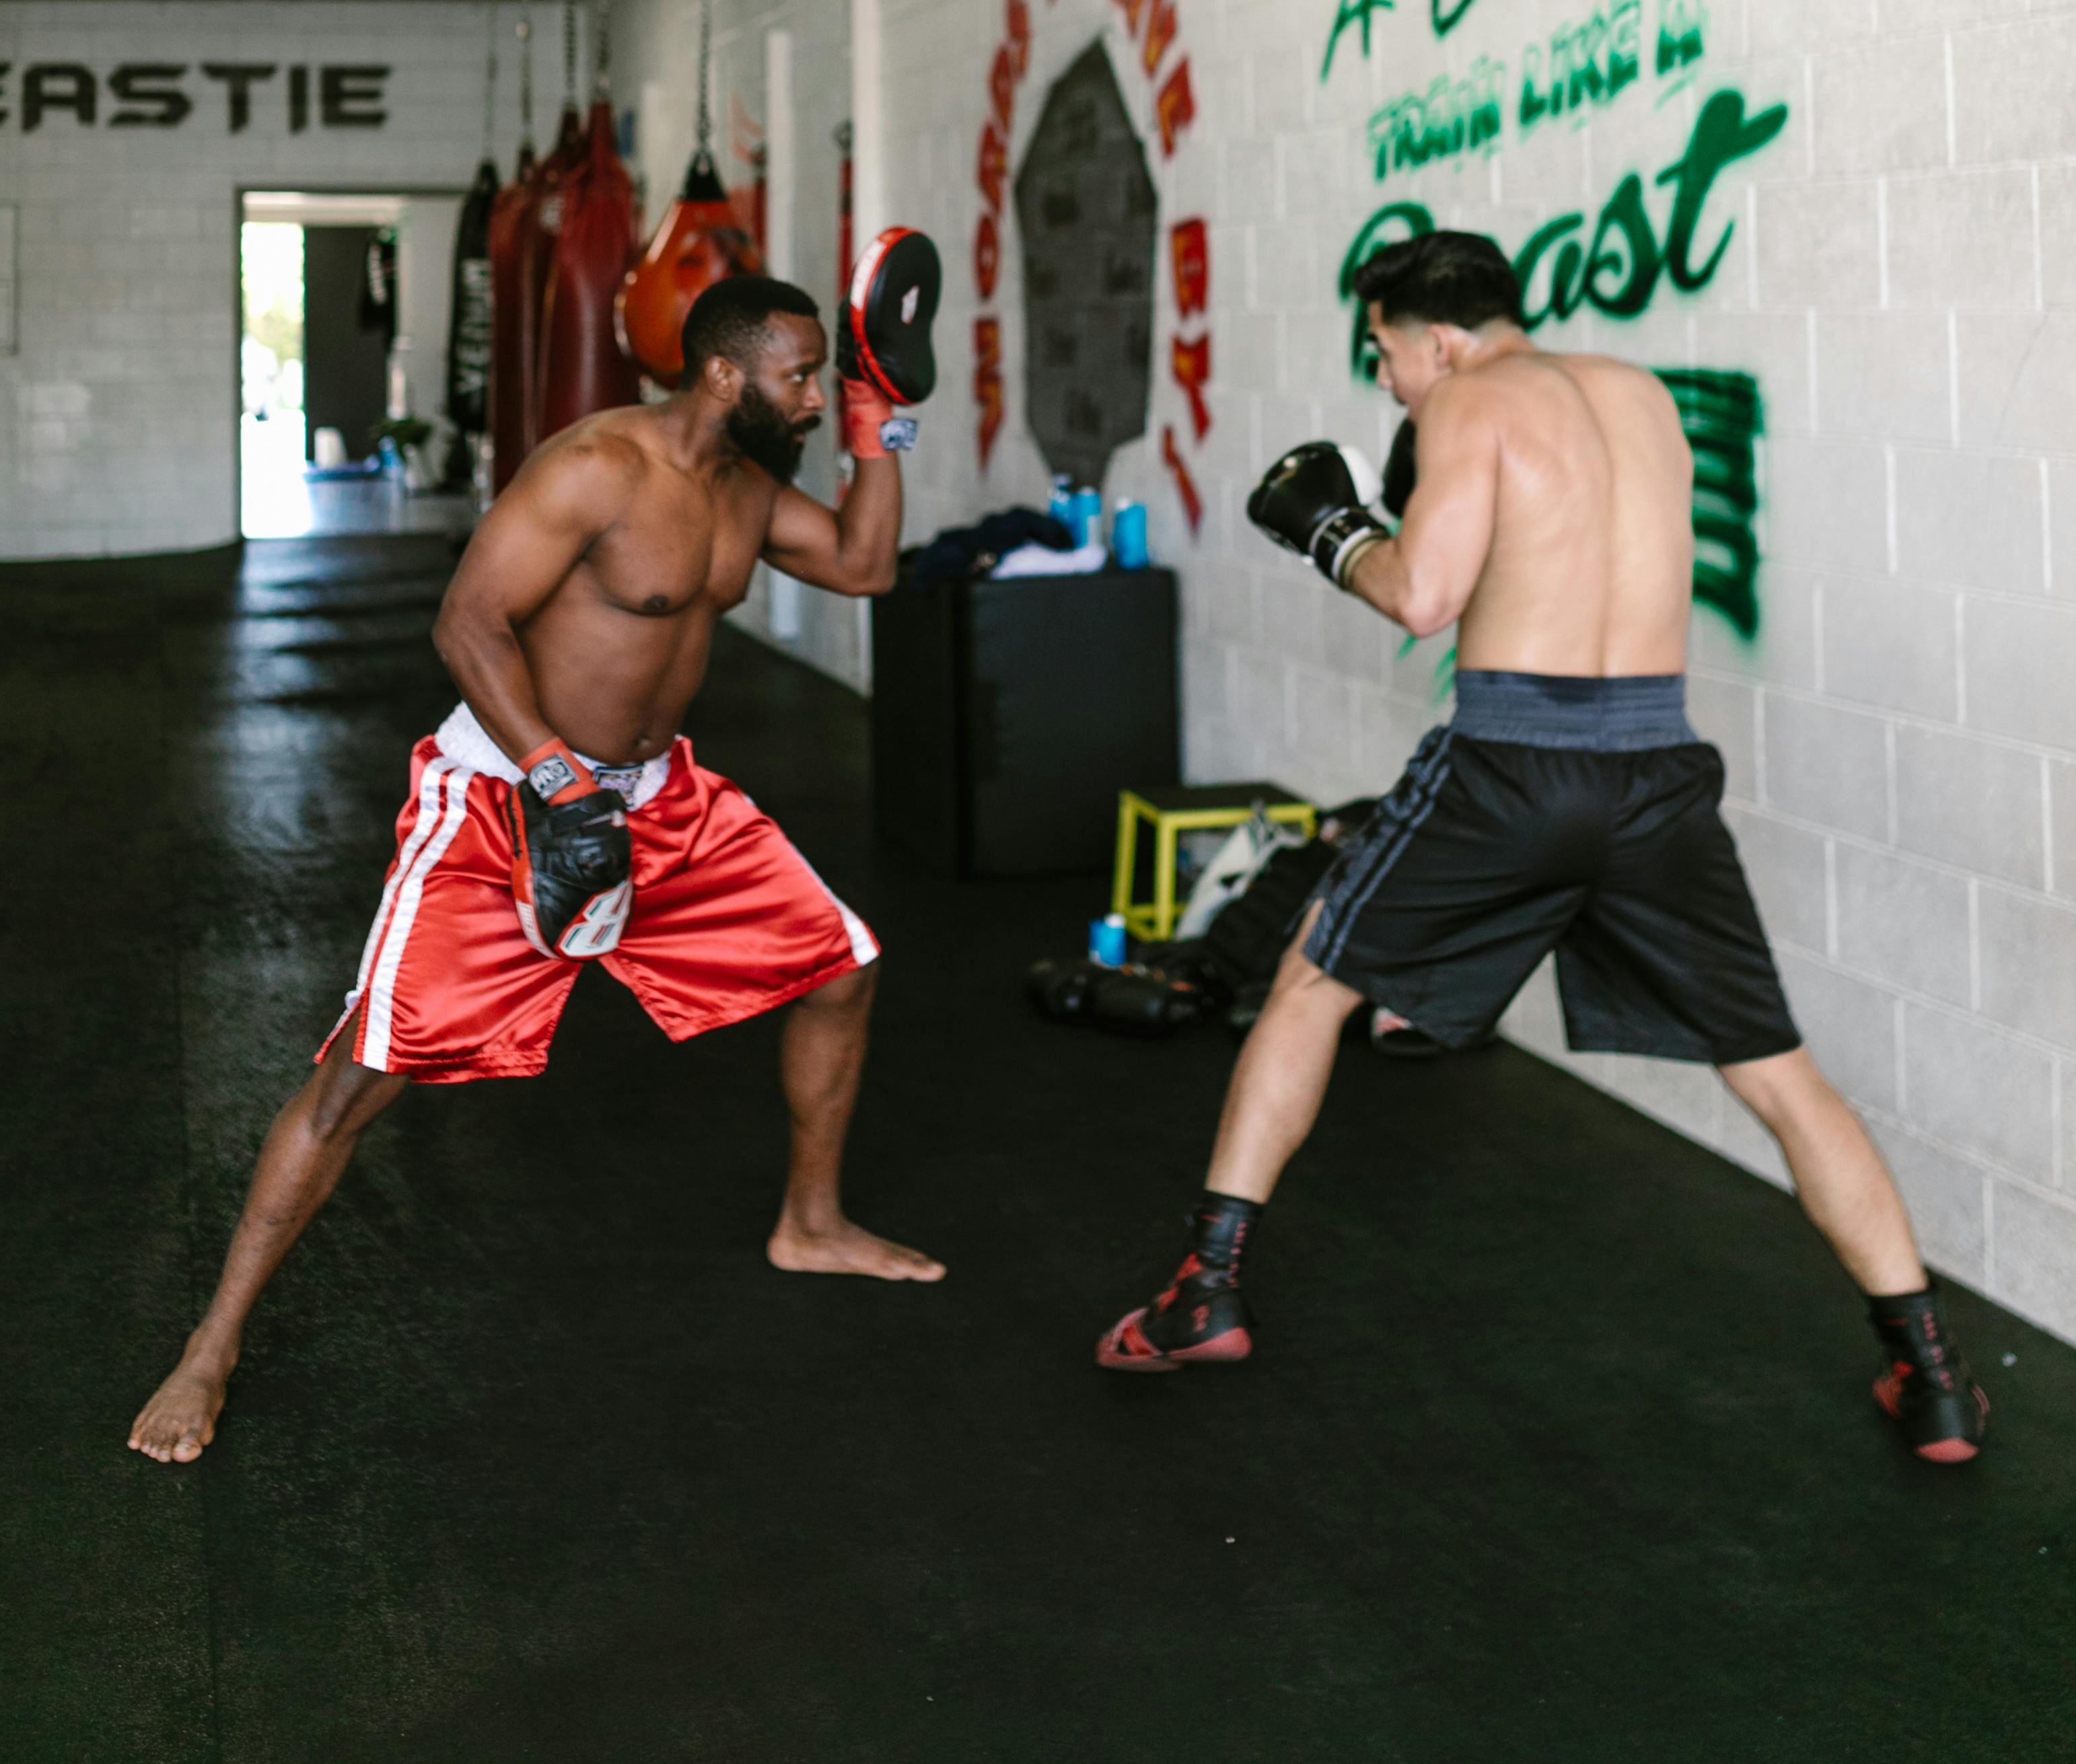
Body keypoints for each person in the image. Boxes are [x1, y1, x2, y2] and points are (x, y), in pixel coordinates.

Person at [1095, 229, 1986, 1466]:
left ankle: (1203, 1294)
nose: (1392, 383)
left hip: (1513, 761)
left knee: (1305, 987)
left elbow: (1422, 596)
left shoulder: (1466, 399)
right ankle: (1931, 1375)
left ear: (1440, 338)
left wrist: (1330, 532)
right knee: (1776, 1071)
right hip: (1656, 769)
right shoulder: (1638, 395)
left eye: (1387, 356)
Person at [132, 242, 946, 1467]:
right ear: (726, 375)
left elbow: (865, 566)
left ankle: (810, 1221)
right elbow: (467, 623)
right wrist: (558, 782)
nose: (818, 396)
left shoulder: (739, 489)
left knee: (842, 962)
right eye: (806, 379)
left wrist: (883, 429)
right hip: (509, 794)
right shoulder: (596, 468)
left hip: (660, 801)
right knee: (364, 1074)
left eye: (827, 379)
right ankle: (210, 1349)